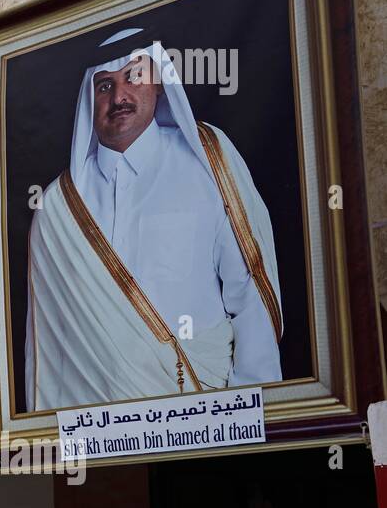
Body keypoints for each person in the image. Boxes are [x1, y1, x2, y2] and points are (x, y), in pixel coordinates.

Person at [24, 26, 282, 412]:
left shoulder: (206, 160)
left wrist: (252, 410)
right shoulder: (58, 207)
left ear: (159, 82)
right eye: (104, 86)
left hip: (205, 414)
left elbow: (250, 294)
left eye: (135, 76)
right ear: (88, 101)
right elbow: (46, 346)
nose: (120, 96)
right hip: (99, 439)